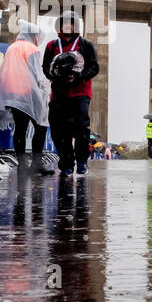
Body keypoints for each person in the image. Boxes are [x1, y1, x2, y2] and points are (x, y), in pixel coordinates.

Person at [42, 10, 99, 178]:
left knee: (81, 129)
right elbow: (45, 67)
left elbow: (94, 67)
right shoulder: (52, 45)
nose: (67, 26)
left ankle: (82, 161)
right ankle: (66, 163)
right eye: (64, 23)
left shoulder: (85, 45)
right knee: (59, 131)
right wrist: (55, 76)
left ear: (76, 26)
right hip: (59, 94)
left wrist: (79, 77)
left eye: (71, 23)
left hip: (80, 93)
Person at [0, 20, 54, 176]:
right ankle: (36, 164)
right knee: (40, 127)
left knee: (20, 129)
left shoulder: (11, 48)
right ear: (32, 35)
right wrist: (45, 88)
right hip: (29, 93)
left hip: (12, 93)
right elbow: (36, 73)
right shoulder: (32, 49)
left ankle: (22, 164)